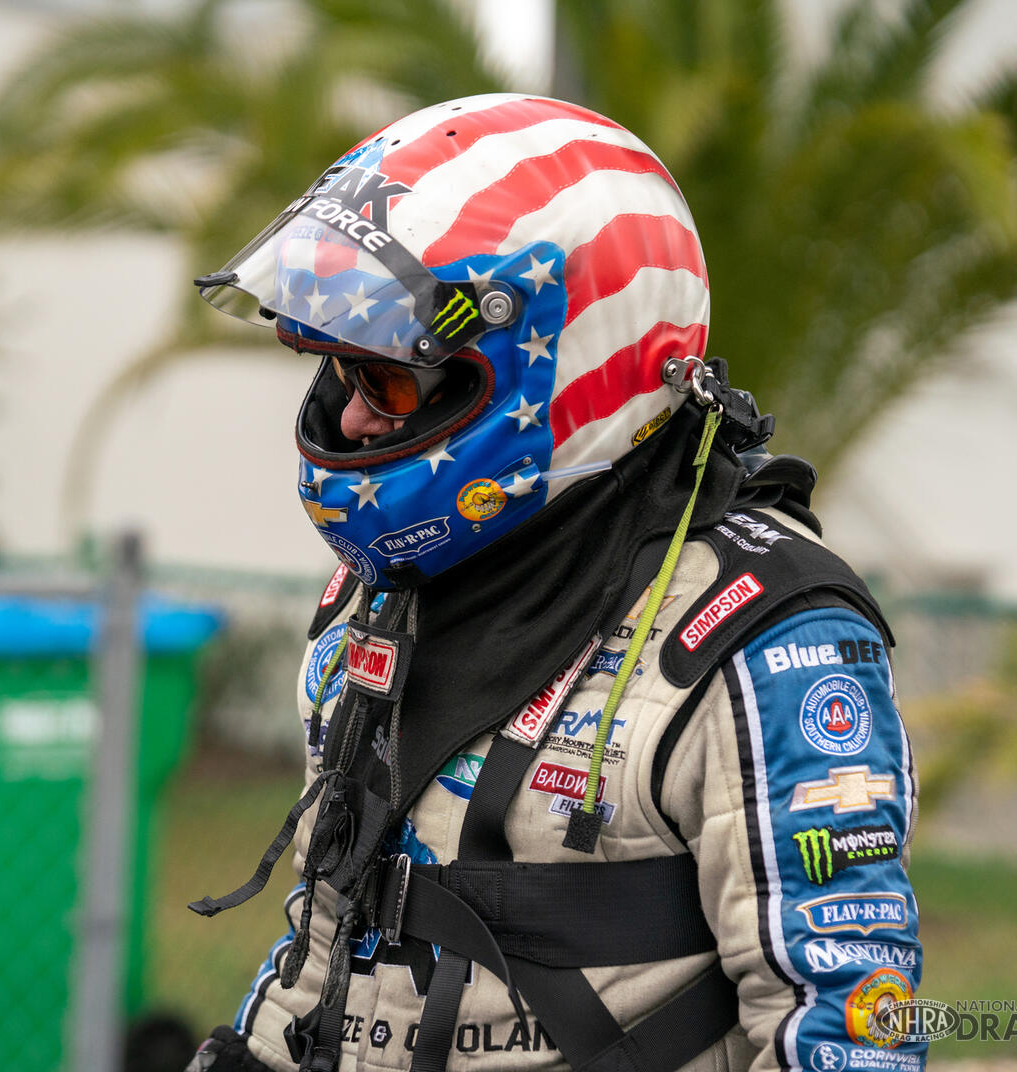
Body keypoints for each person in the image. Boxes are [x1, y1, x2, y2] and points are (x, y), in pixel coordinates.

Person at [185, 93, 925, 1072]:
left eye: (388, 380)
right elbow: (327, 936)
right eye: (336, 372)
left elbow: (847, 1027)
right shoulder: (384, 593)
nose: (354, 423)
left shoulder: (759, 637)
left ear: (569, 369)